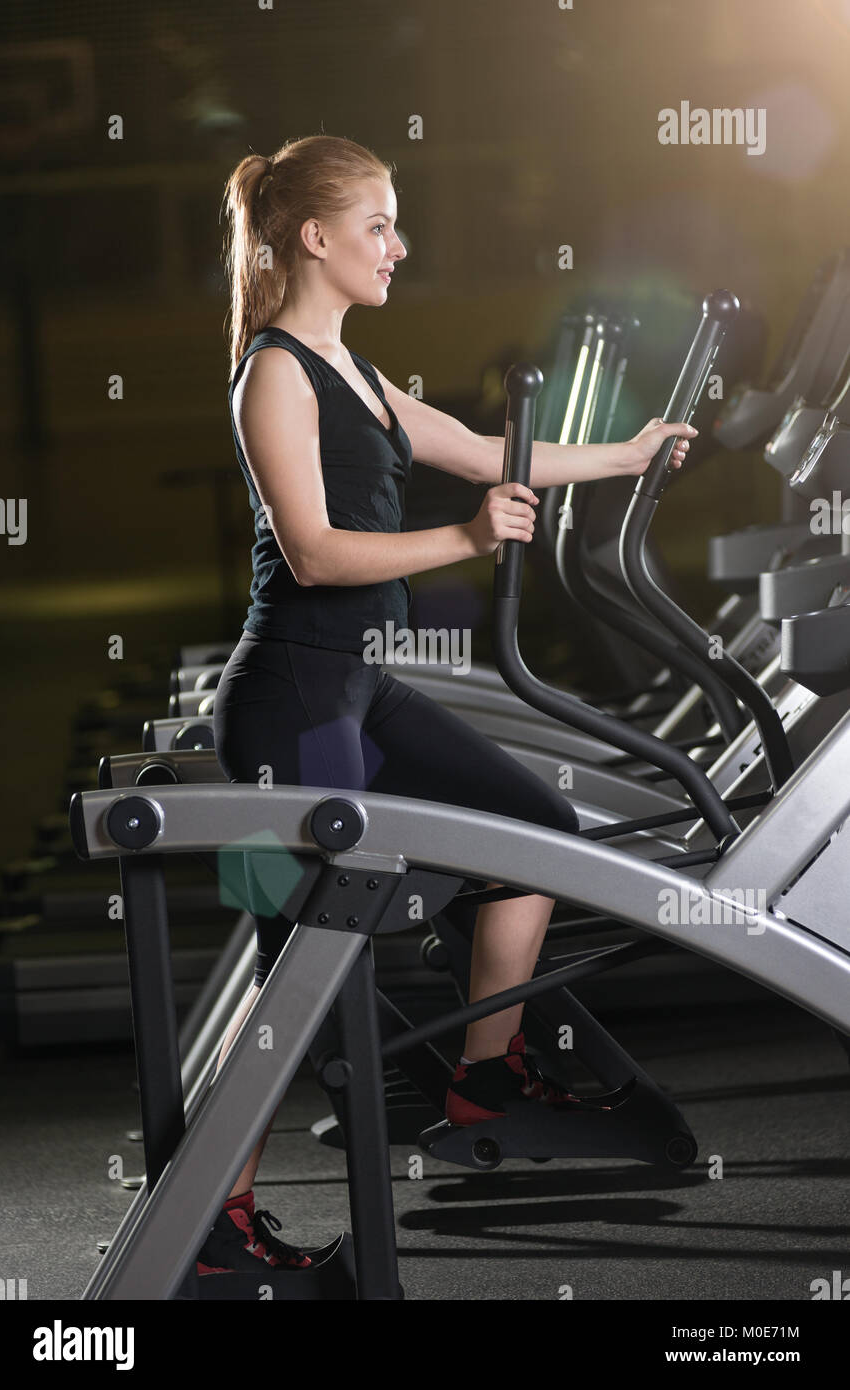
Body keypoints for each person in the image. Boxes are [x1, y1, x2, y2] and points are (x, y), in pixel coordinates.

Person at [199, 134, 695, 1276]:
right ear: (314, 237)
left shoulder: (359, 372)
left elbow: (479, 448)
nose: (398, 245)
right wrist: (468, 540)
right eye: (377, 224)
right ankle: (215, 1225)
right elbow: (316, 555)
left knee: (535, 836)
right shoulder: (273, 371)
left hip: (359, 691)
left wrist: (628, 452)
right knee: (296, 967)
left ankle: (483, 1079)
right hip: (286, 704)